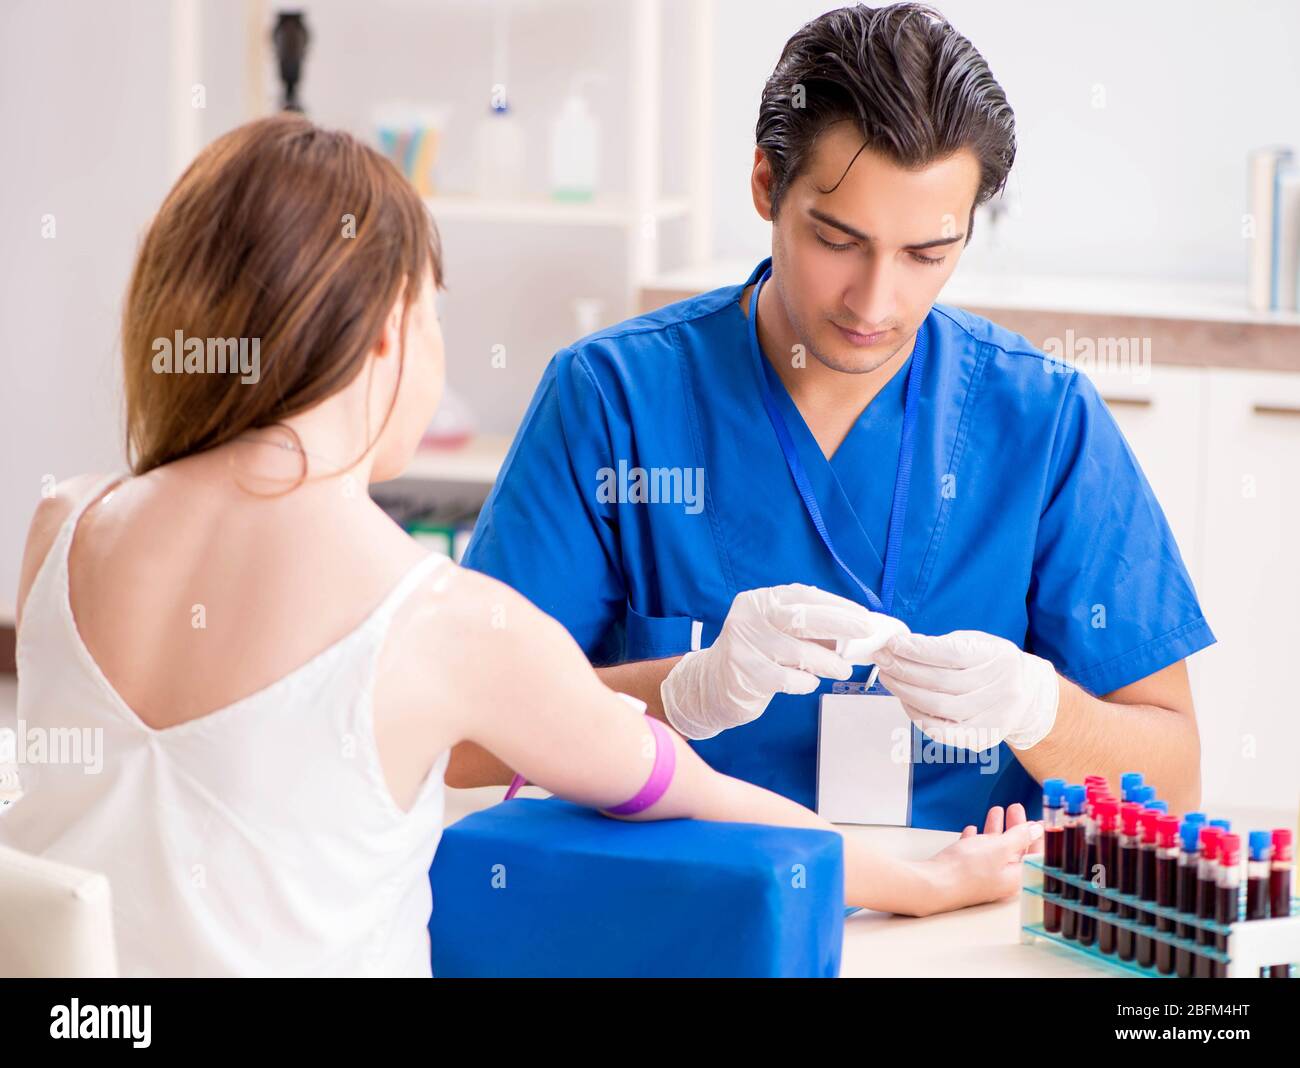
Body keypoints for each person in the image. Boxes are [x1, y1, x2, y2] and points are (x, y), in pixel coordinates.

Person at [3, 114, 1039, 978]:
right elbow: (690, 795)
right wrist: (920, 877)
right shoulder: (440, 620)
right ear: (384, 335)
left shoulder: (62, 529)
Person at [459, 3, 1214, 828]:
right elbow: (465, 737)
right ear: (764, 186)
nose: (875, 301)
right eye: (837, 239)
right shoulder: (613, 400)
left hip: (956, 914)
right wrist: (683, 690)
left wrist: (1041, 710)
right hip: (692, 904)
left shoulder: (1043, 421)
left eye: (928, 254)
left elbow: (1174, 779)